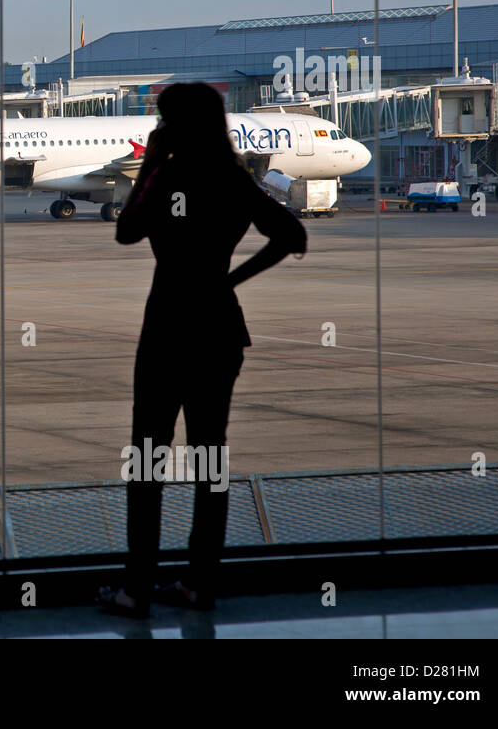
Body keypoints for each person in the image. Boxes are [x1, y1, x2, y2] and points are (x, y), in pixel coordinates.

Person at [97, 83, 307, 618]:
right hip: (218, 329)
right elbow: (290, 236)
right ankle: (197, 584)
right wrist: (230, 280)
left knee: (147, 459)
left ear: (174, 127)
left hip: (168, 328)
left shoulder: (167, 177)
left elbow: (126, 232)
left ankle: (136, 588)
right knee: (211, 459)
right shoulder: (232, 178)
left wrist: (150, 164)